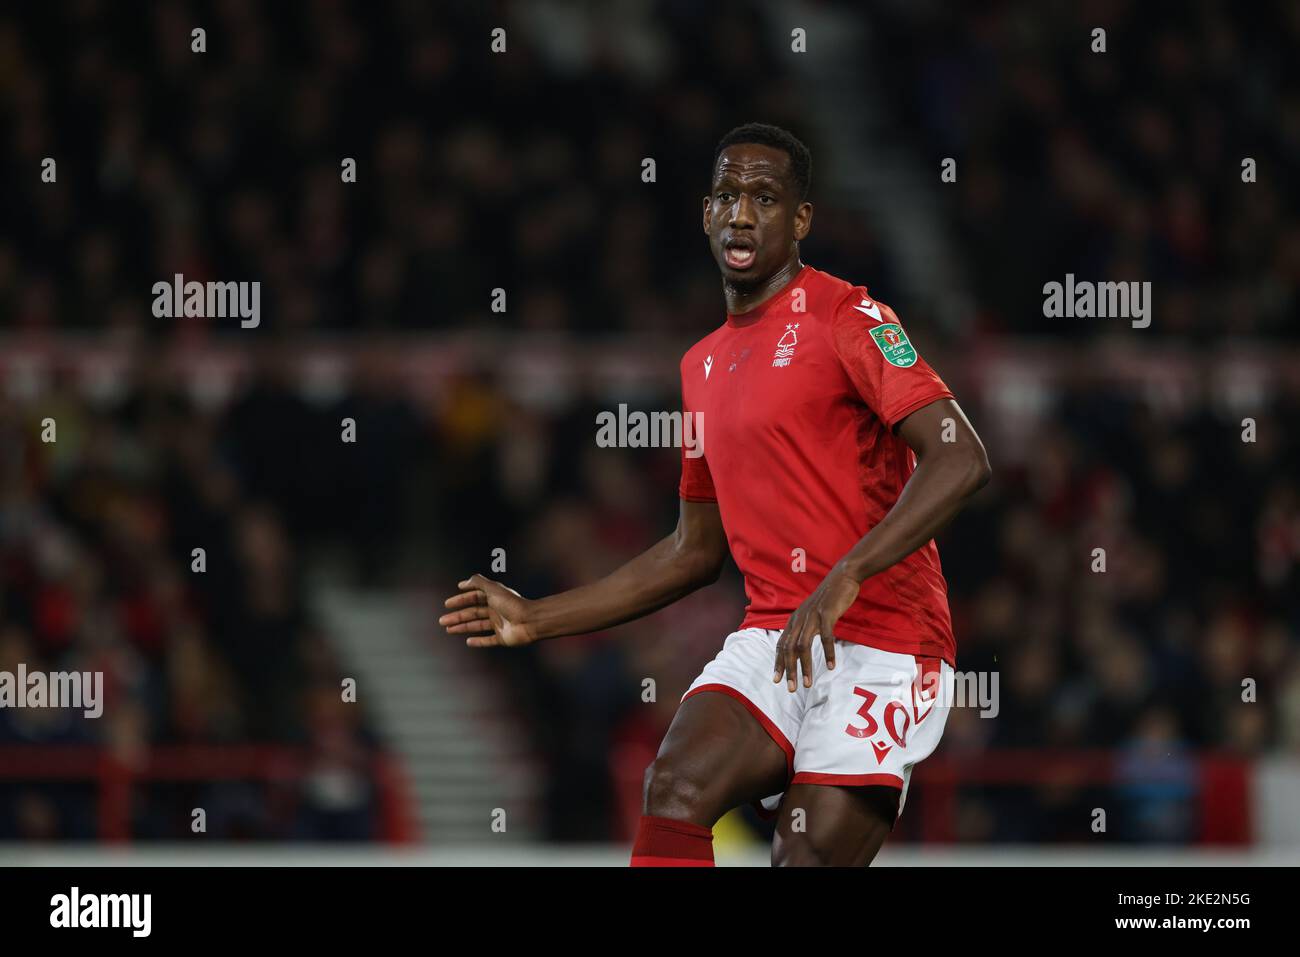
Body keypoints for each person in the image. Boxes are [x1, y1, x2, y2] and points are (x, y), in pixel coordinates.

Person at [440, 122, 991, 866]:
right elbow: (692, 551)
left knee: (800, 855)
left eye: (765, 198)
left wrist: (844, 577)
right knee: (673, 785)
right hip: (776, 635)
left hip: (886, 638)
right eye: (728, 195)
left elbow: (961, 458)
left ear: (800, 220)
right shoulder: (700, 366)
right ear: (706, 214)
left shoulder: (849, 316)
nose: (741, 213)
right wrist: (539, 618)